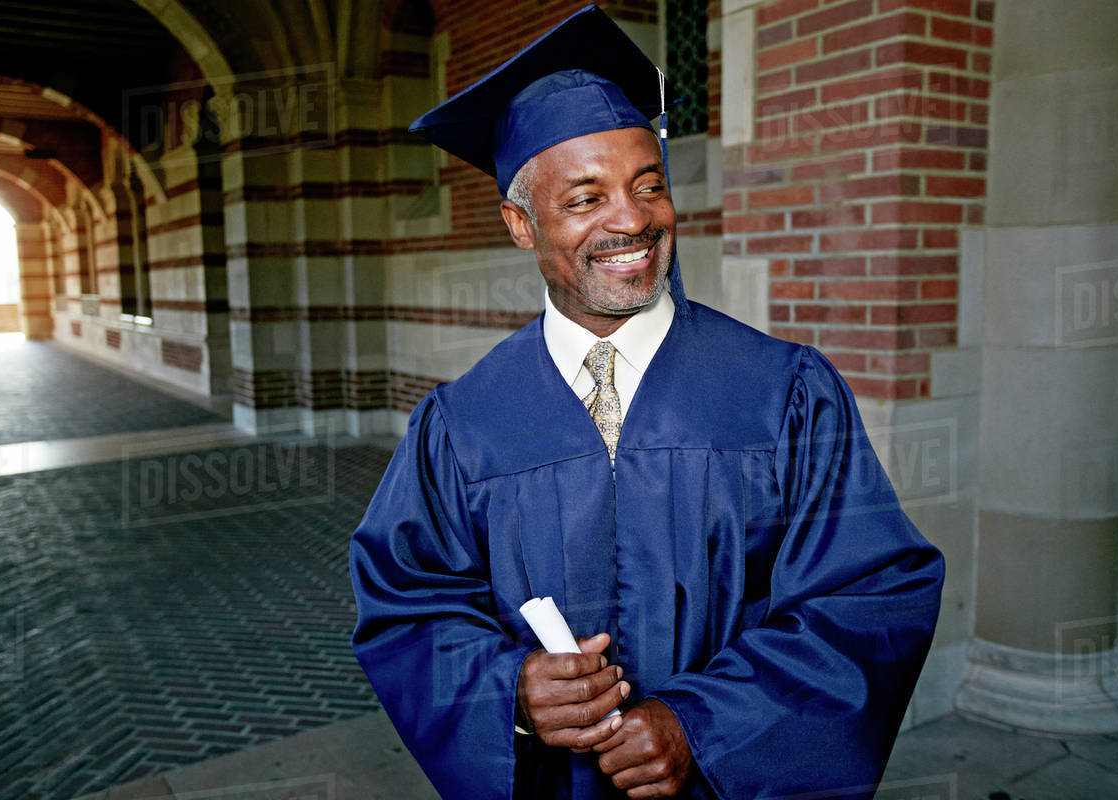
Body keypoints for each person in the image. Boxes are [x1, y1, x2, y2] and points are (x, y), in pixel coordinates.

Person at [349, 6, 944, 799]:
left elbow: (869, 600)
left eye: (648, 185)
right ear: (521, 226)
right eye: (586, 198)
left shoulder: (786, 392)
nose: (631, 219)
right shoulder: (462, 425)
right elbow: (407, 607)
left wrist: (705, 726)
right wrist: (512, 689)